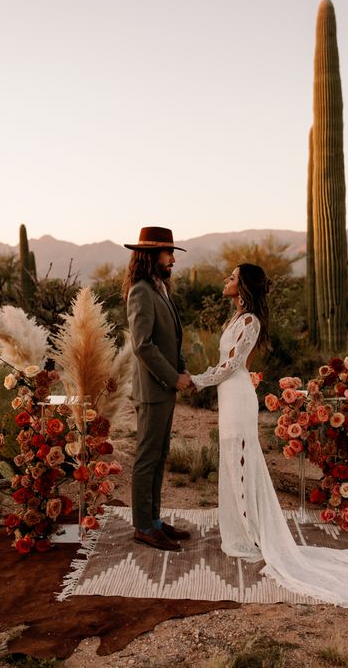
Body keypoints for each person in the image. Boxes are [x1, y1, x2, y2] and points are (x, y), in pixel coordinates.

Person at [190, 263, 348, 610]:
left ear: (244, 286)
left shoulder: (250, 322)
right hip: (228, 397)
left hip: (237, 396)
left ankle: (251, 535)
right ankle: (240, 531)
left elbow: (232, 366)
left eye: (232, 277)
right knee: (232, 460)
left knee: (241, 460)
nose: (226, 280)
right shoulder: (236, 319)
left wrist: (197, 379)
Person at [125, 226, 192, 552]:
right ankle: (142, 527)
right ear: (152, 256)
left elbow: (172, 338)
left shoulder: (160, 290)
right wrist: (172, 377)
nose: (172, 261)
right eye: (168, 254)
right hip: (152, 389)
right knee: (147, 458)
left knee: (160, 454)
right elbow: (143, 345)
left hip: (165, 386)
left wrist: (182, 369)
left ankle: (153, 521)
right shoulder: (141, 291)